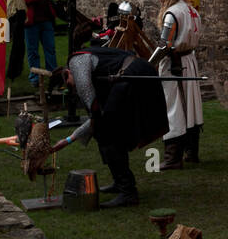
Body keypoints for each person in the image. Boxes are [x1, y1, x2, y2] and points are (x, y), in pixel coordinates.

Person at [47, 47, 170, 207]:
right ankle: (121, 183)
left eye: (70, 86)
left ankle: (128, 192)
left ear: (67, 74)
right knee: (107, 130)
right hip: (131, 78)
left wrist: (94, 113)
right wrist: (68, 140)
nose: (74, 89)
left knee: (106, 132)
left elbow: (87, 93)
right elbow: (94, 118)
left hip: (134, 76)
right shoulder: (99, 79)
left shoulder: (76, 62)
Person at [154, 0, 203, 169]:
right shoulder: (191, 10)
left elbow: (164, 45)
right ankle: (191, 152)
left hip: (175, 65)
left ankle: (173, 158)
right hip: (189, 61)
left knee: (172, 107)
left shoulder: (172, 13)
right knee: (190, 106)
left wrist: (149, 64)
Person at [18, 0, 59, 86]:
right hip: (31, 22)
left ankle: (53, 75)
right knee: (33, 51)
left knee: (50, 49)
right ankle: (34, 78)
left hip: (46, 20)